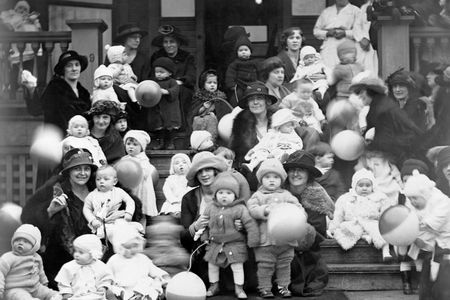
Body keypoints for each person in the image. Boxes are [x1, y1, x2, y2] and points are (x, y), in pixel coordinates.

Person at [21, 148, 97, 288]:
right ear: (68, 171)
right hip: (63, 260)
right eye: (77, 169)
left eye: (86, 168)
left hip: (97, 255)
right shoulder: (55, 190)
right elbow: (28, 218)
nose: (82, 173)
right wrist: (49, 211)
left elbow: (130, 207)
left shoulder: (99, 187)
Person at [247, 158, 306, 298]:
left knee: (284, 265)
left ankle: (283, 286)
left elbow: (299, 208)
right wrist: (265, 210)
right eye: (267, 177)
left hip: (286, 240)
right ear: (261, 180)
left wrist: (296, 214)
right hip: (265, 241)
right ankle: (265, 288)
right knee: (265, 266)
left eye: (276, 177)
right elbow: (252, 208)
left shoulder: (286, 195)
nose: (272, 180)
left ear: (281, 180)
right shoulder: (258, 195)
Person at [199, 171, 259, 299]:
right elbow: (204, 224)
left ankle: (239, 288)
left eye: (228, 193)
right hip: (215, 243)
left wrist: (253, 240)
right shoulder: (210, 207)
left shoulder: (240, 208)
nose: (224, 196)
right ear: (215, 194)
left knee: (237, 265)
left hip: (235, 243)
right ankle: (214, 285)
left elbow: (250, 224)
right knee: (212, 265)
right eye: (220, 193)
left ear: (235, 195)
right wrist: (204, 238)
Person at [283, 150, 334, 296]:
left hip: (306, 244)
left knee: (309, 260)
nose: (295, 174)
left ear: (308, 174)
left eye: (301, 170)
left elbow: (318, 230)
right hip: (280, 241)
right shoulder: (280, 192)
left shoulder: (315, 194)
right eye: (292, 170)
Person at [349, 73, 423, 166]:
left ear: (370, 91)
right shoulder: (379, 105)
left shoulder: (381, 109)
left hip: (402, 157)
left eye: (361, 92)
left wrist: (367, 147)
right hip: (399, 153)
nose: (359, 96)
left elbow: (386, 139)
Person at [179, 152, 228, 284]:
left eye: (208, 169)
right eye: (200, 171)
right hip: (203, 249)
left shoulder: (230, 192)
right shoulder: (188, 199)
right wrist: (195, 226)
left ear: (215, 171)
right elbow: (184, 238)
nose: (204, 174)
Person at [402, 170, 450, 300]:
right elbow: (410, 219)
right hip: (431, 249)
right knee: (426, 286)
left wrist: (413, 232)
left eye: (415, 198)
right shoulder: (415, 206)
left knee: (443, 286)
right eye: (410, 199)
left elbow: (430, 224)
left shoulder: (442, 202)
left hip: (445, 248)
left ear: (425, 194)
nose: (412, 202)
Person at [24, 50, 91, 134]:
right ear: (63, 69)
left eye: (77, 65)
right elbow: (36, 109)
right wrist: (31, 89)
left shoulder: (84, 93)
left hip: (80, 141)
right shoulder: (55, 89)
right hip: (58, 140)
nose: (74, 69)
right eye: (69, 66)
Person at [328, 169, 390, 257]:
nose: (364, 188)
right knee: (344, 230)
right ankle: (364, 237)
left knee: (380, 232)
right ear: (355, 186)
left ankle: (386, 252)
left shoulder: (379, 198)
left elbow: (385, 215)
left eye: (368, 185)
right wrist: (332, 229)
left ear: (373, 186)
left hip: (372, 224)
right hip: (354, 224)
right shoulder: (346, 199)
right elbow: (338, 216)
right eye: (361, 185)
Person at [151, 24, 196, 133]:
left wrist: (178, 82)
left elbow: (191, 76)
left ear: (178, 43)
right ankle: (159, 130)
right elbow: (151, 75)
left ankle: (180, 127)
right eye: (165, 42)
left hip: (181, 86)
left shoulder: (187, 57)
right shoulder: (157, 56)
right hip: (160, 86)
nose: (168, 45)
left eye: (172, 42)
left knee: (182, 93)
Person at [107, 221, 169, 300]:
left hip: (142, 286)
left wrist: (163, 275)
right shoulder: (114, 260)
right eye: (128, 248)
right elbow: (106, 275)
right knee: (114, 291)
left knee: (154, 286)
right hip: (124, 288)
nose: (132, 250)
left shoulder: (142, 258)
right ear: (119, 247)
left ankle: (144, 297)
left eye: (135, 246)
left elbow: (153, 269)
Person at [107, 23, 150, 132]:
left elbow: (146, 78)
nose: (137, 40)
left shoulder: (143, 58)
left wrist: (133, 82)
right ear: (124, 39)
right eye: (133, 37)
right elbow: (106, 74)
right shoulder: (113, 56)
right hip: (117, 89)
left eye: (139, 38)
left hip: (137, 90)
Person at [0, 224, 61, 300]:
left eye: (26, 241)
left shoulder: (37, 258)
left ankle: (56, 297)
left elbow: (40, 271)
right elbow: (1, 272)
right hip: (15, 289)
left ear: (34, 246)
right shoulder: (8, 257)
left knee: (46, 292)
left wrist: (44, 281)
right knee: (21, 296)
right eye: (17, 240)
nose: (20, 243)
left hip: (35, 287)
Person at [83, 165, 138, 239]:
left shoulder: (119, 192)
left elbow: (130, 201)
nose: (101, 181)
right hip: (100, 224)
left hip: (116, 222)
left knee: (129, 230)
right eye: (98, 179)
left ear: (114, 181)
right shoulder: (92, 195)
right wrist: (92, 220)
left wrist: (129, 213)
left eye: (106, 179)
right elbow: (86, 209)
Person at [55, 234, 113, 300]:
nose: (76, 254)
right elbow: (64, 282)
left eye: (81, 252)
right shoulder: (69, 267)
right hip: (75, 296)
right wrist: (67, 292)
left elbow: (105, 279)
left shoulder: (100, 266)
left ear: (93, 254)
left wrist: (102, 287)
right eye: (75, 251)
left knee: (111, 294)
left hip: (96, 296)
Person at [313, 0, 361, 71]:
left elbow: (360, 32)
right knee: (327, 70)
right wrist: (327, 33)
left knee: (346, 70)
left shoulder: (356, 11)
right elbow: (316, 31)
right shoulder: (327, 11)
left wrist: (345, 33)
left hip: (347, 44)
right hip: (329, 45)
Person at [123, 130, 158, 222]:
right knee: (131, 208)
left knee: (141, 210)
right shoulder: (125, 159)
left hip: (141, 188)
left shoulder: (143, 160)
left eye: (135, 145)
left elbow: (145, 173)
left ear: (141, 148)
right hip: (130, 188)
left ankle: (142, 229)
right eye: (128, 144)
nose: (131, 147)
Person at [148, 57, 181, 150]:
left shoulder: (172, 82)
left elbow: (175, 90)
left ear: (169, 73)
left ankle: (170, 143)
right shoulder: (153, 82)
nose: (158, 74)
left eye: (161, 72)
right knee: (160, 127)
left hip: (169, 108)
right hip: (158, 108)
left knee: (170, 126)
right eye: (156, 72)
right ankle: (161, 143)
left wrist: (167, 91)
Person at [85, 100, 126, 164]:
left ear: (111, 119)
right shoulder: (81, 130)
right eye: (97, 117)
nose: (101, 121)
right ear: (92, 117)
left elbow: (119, 162)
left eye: (105, 117)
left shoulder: (115, 137)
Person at [191, 69, 226, 141]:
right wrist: (204, 107)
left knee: (212, 120)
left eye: (215, 83)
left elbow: (223, 114)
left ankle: (212, 141)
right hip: (201, 123)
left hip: (216, 124)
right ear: (203, 84)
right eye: (209, 83)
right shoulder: (199, 97)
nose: (212, 85)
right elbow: (194, 113)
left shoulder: (221, 98)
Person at [225, 35, 259, 107]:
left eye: (246, 50)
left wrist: (260, 82)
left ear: (250, 52)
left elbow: (260, 73)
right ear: (237, 52)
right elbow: (230, 75)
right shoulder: (234, 64)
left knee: (256, 95)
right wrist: (232, 85)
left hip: (252, 84)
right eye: (241, 50)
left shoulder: (254, 63)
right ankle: (236, 108)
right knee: (237, 96)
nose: (243, 52)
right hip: (240, 85)